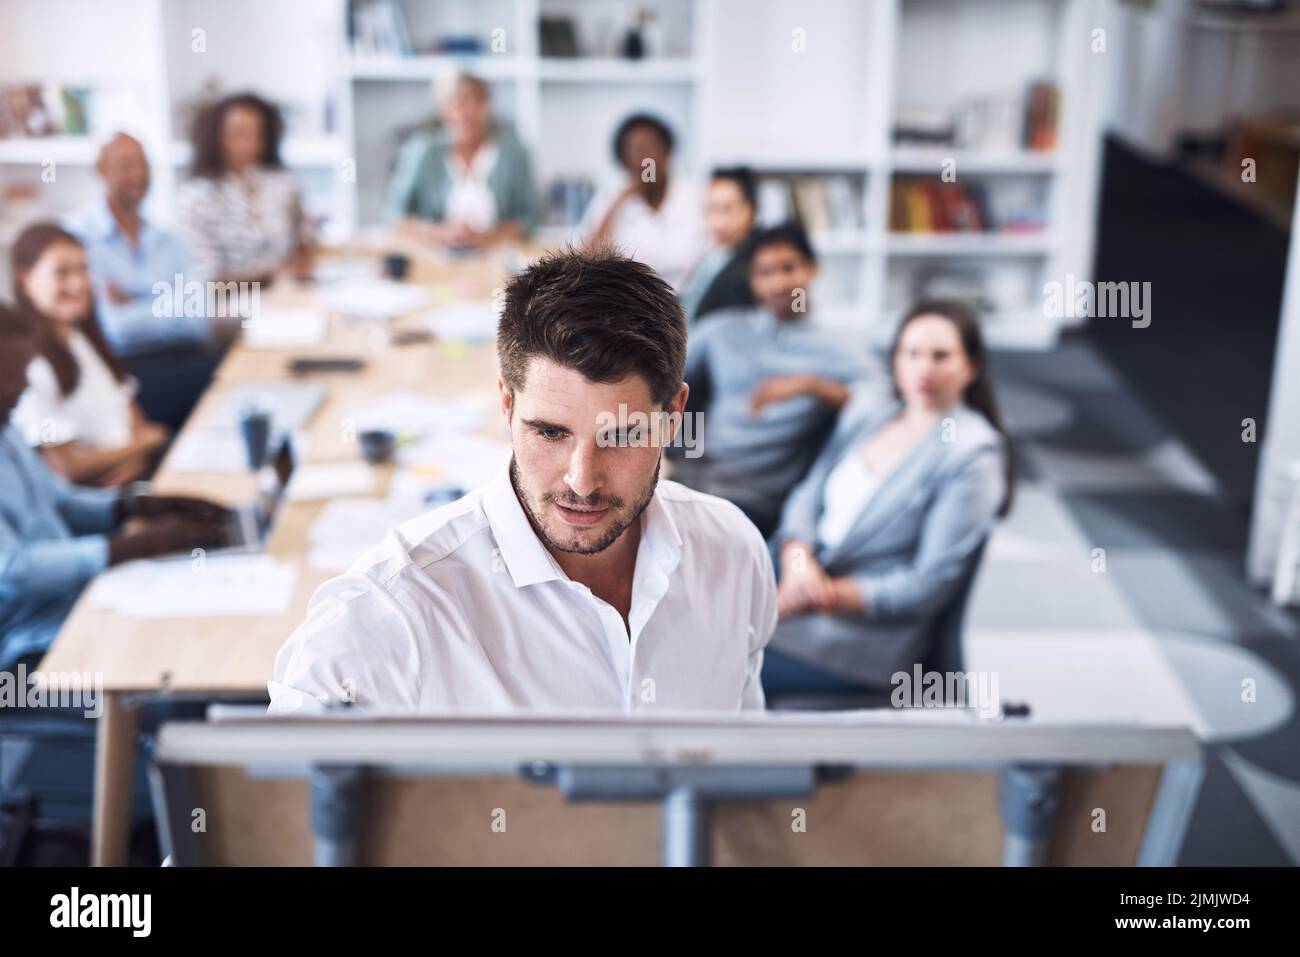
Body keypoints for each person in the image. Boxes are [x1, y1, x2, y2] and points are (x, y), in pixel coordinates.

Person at [269, 246, 776, 715]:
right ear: (507, 405)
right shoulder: (398, 606)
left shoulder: (732, 554)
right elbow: (280, 799)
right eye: (551, 433)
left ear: (673, 416)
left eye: (621, 436)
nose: (581, 480)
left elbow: (745, 774)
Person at [763, 301, 1014, 694]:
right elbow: (807, 494)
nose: (924, 369)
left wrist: (818, 595)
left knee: (705, 659)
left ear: (971, 367)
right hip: (790, 575)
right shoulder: (872, 412)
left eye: (941, 356)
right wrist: (798, 563)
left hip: (851, 637)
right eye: (911, 353)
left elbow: (925, 586)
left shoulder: (972, 454)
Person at [0, 304, 230, 672]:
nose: (24, 387)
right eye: (11, 375)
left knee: (214, 620)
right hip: (30, 650)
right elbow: (13, 572)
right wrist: (134, 545)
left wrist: (137, 506)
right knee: (196, 665)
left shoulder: (6, 432)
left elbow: (59, 501)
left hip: (79, 602)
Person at [669, 223, 885, 537]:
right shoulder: (722, 329)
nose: (777, 283)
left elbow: (880, 401)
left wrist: (809, 384)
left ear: (811, 269)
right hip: (689, 475)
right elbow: (662, 370)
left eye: (788, 268)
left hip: (755, 497)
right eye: (764, 273)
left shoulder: (837, 347)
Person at [65, 133, 218, 431]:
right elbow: (115, 329)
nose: (138, 174)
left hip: (187, 355)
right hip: (126, 369)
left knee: (236, 374)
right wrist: (169, 301)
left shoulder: (168, 238)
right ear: (101, 171)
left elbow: (199, 318)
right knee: (226, 390)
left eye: (144, 165)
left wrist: (136, 301)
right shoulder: (77, 238)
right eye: (125, 165)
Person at [10, 223, 171, 487]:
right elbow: (67, 468)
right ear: (25, 279)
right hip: (107, 498)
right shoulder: (29, 366)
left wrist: (138, 453)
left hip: (141, 473)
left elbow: (136, 421)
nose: (78, 284)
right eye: (61, 273)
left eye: (83, 270)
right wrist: (148, 443)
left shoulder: (83, 338)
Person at [384, 72, 541, 248]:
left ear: (488, 106)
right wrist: (441, 233)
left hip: (496, 253)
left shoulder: (515, 152)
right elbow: (394, 216)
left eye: (477, 102)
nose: (468, 111)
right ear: (444, 109)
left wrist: (489, 236)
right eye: (459, 102)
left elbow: (531, 217)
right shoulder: (423, 151)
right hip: (435, 256)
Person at [175, 92, 313, 285]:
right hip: (230, 306)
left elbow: (302, 242)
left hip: (286, 296)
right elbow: (205, 280)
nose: (251, 144)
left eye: (258, 134)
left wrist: (301, 259)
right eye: (239, 133)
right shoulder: (196, 197)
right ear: (217, 137)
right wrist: (269, 277)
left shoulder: (283, 184)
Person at [580, 113, 704, 289]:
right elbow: (586, 259)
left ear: (667, 150)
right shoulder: (609, 198)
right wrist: (620, 201)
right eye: (634, 148)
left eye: (651, 145)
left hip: (687, 297)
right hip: (629, 300)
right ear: (623, 159)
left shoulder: (693, 196)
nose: (644, 155)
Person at [678, 166, 759, 323]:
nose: (718, 222)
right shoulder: (713, 255)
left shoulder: (756, 265)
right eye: (710, 209)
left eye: (726, 209)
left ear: (750, 210)